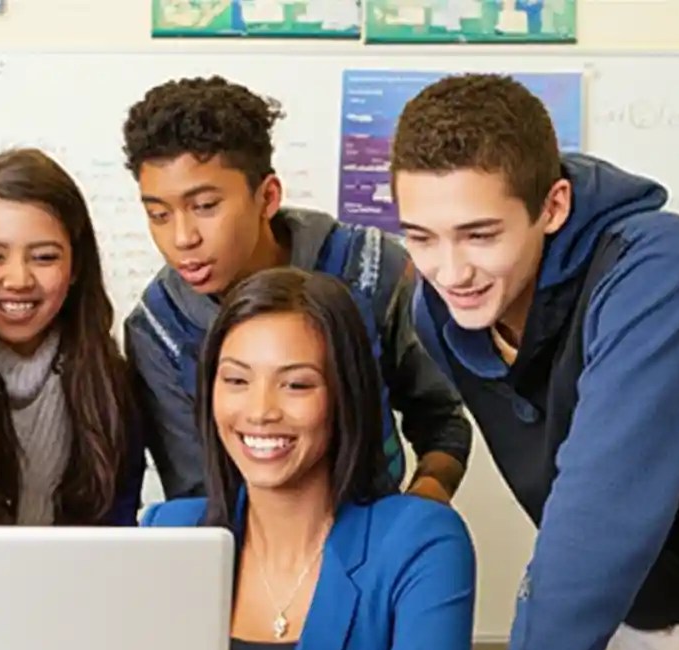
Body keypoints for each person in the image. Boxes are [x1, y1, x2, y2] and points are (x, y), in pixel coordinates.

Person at [392, 73, 679, 650]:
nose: (451, 272)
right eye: (422, 237)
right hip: (628, 618)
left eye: (480, 234)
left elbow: (602, 502)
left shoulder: (658, 265)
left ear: (553, 206)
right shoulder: (436, 312)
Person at [143, 266, 476, 650]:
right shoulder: (166, 534)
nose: (260, 411)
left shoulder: (419, 541)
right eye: (236, 380)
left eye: (296, 384)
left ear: (345, 395)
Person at [121, 75, 472, 503]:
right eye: (159, 214)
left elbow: (442, 418)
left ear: (268, 197)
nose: (182, 238)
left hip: (376, 524)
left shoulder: (372, 268)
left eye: (206, 206)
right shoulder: (158, 328)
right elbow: (195, 491)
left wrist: (416, 513)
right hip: (243, 541)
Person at [0, 148, 144, 525]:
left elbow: (118, 531)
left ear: (76, 266)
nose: (19, 280)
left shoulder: (112, 382)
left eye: (44, 257)